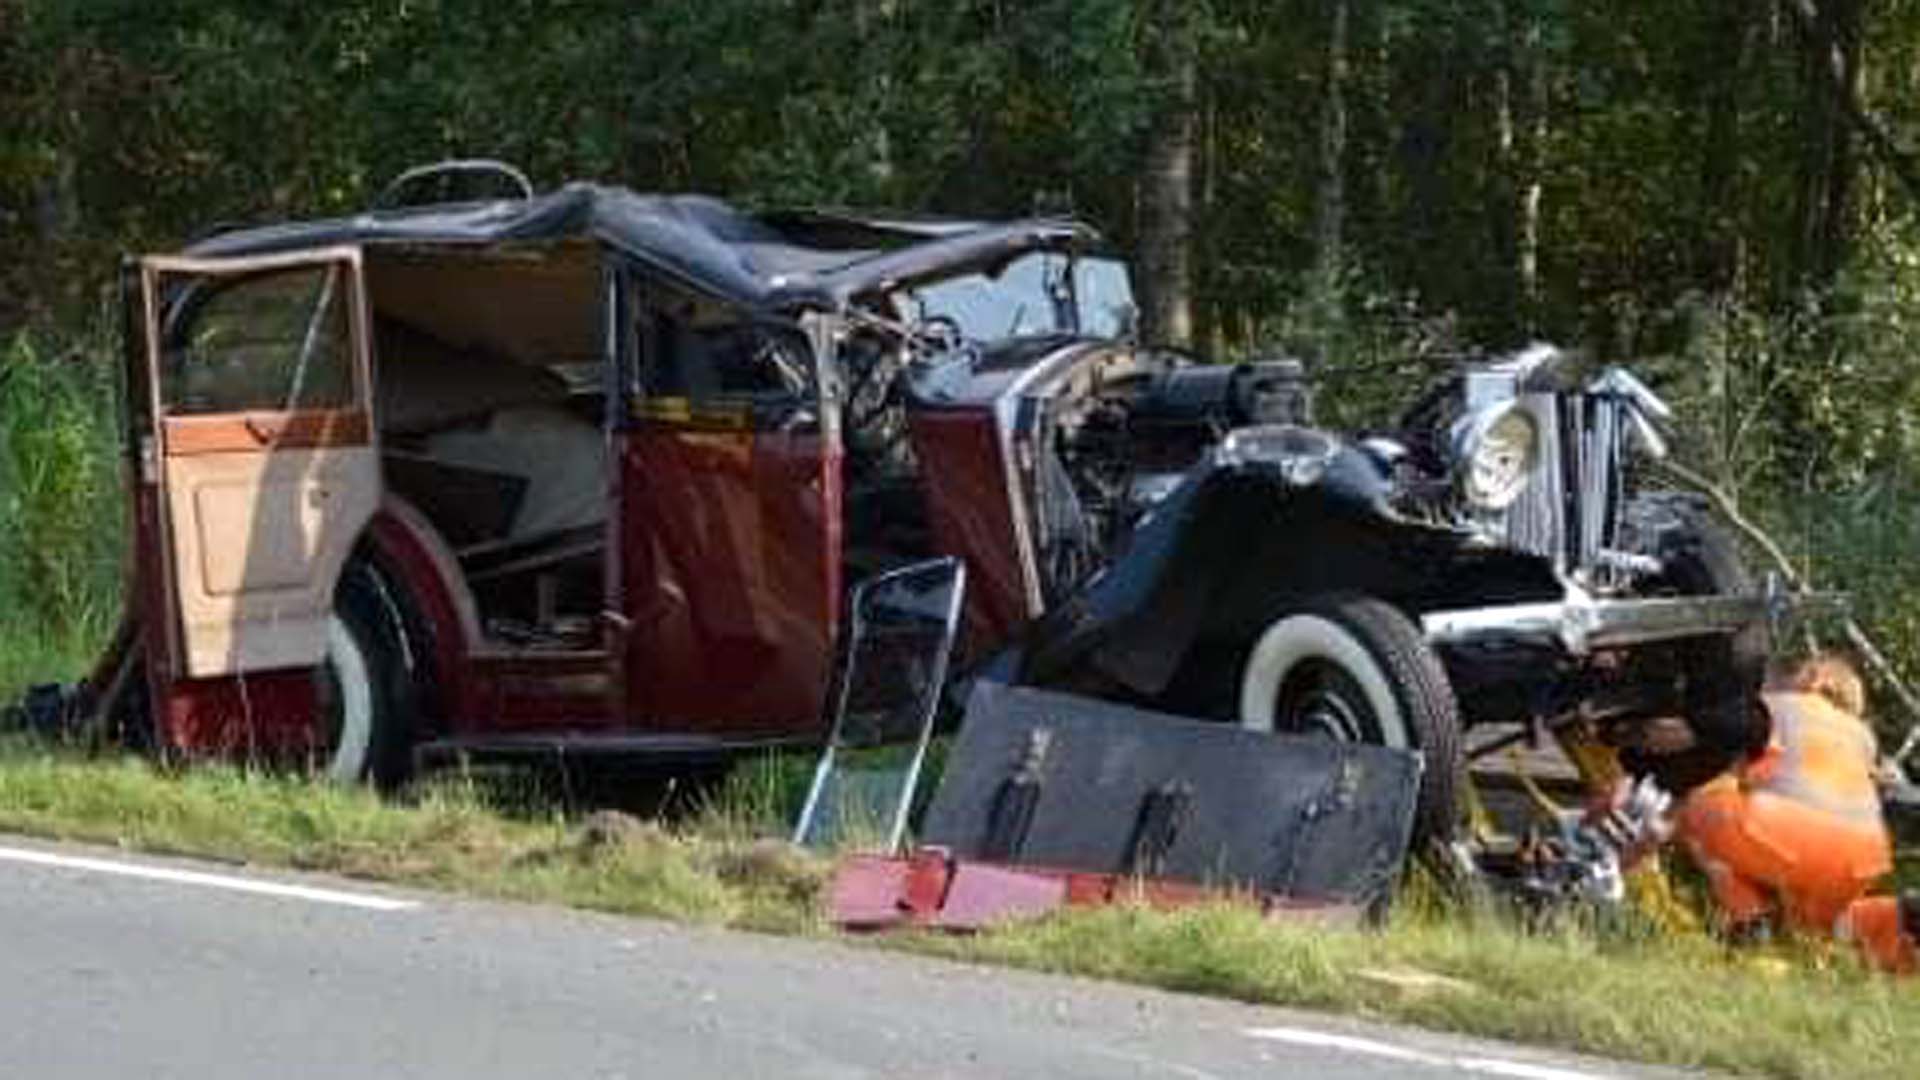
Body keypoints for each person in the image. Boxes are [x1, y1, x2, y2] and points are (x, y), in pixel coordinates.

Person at [1672, 652, 1919, 973]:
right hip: (1863, 859)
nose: (1770, 682)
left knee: (1700, 805)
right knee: (1811, 931)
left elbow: (1727, 750)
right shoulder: (1861, 736)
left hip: (1794, 835)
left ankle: (1748, 919)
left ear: (1811, 679)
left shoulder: (1776, 707)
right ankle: (1900, 922)